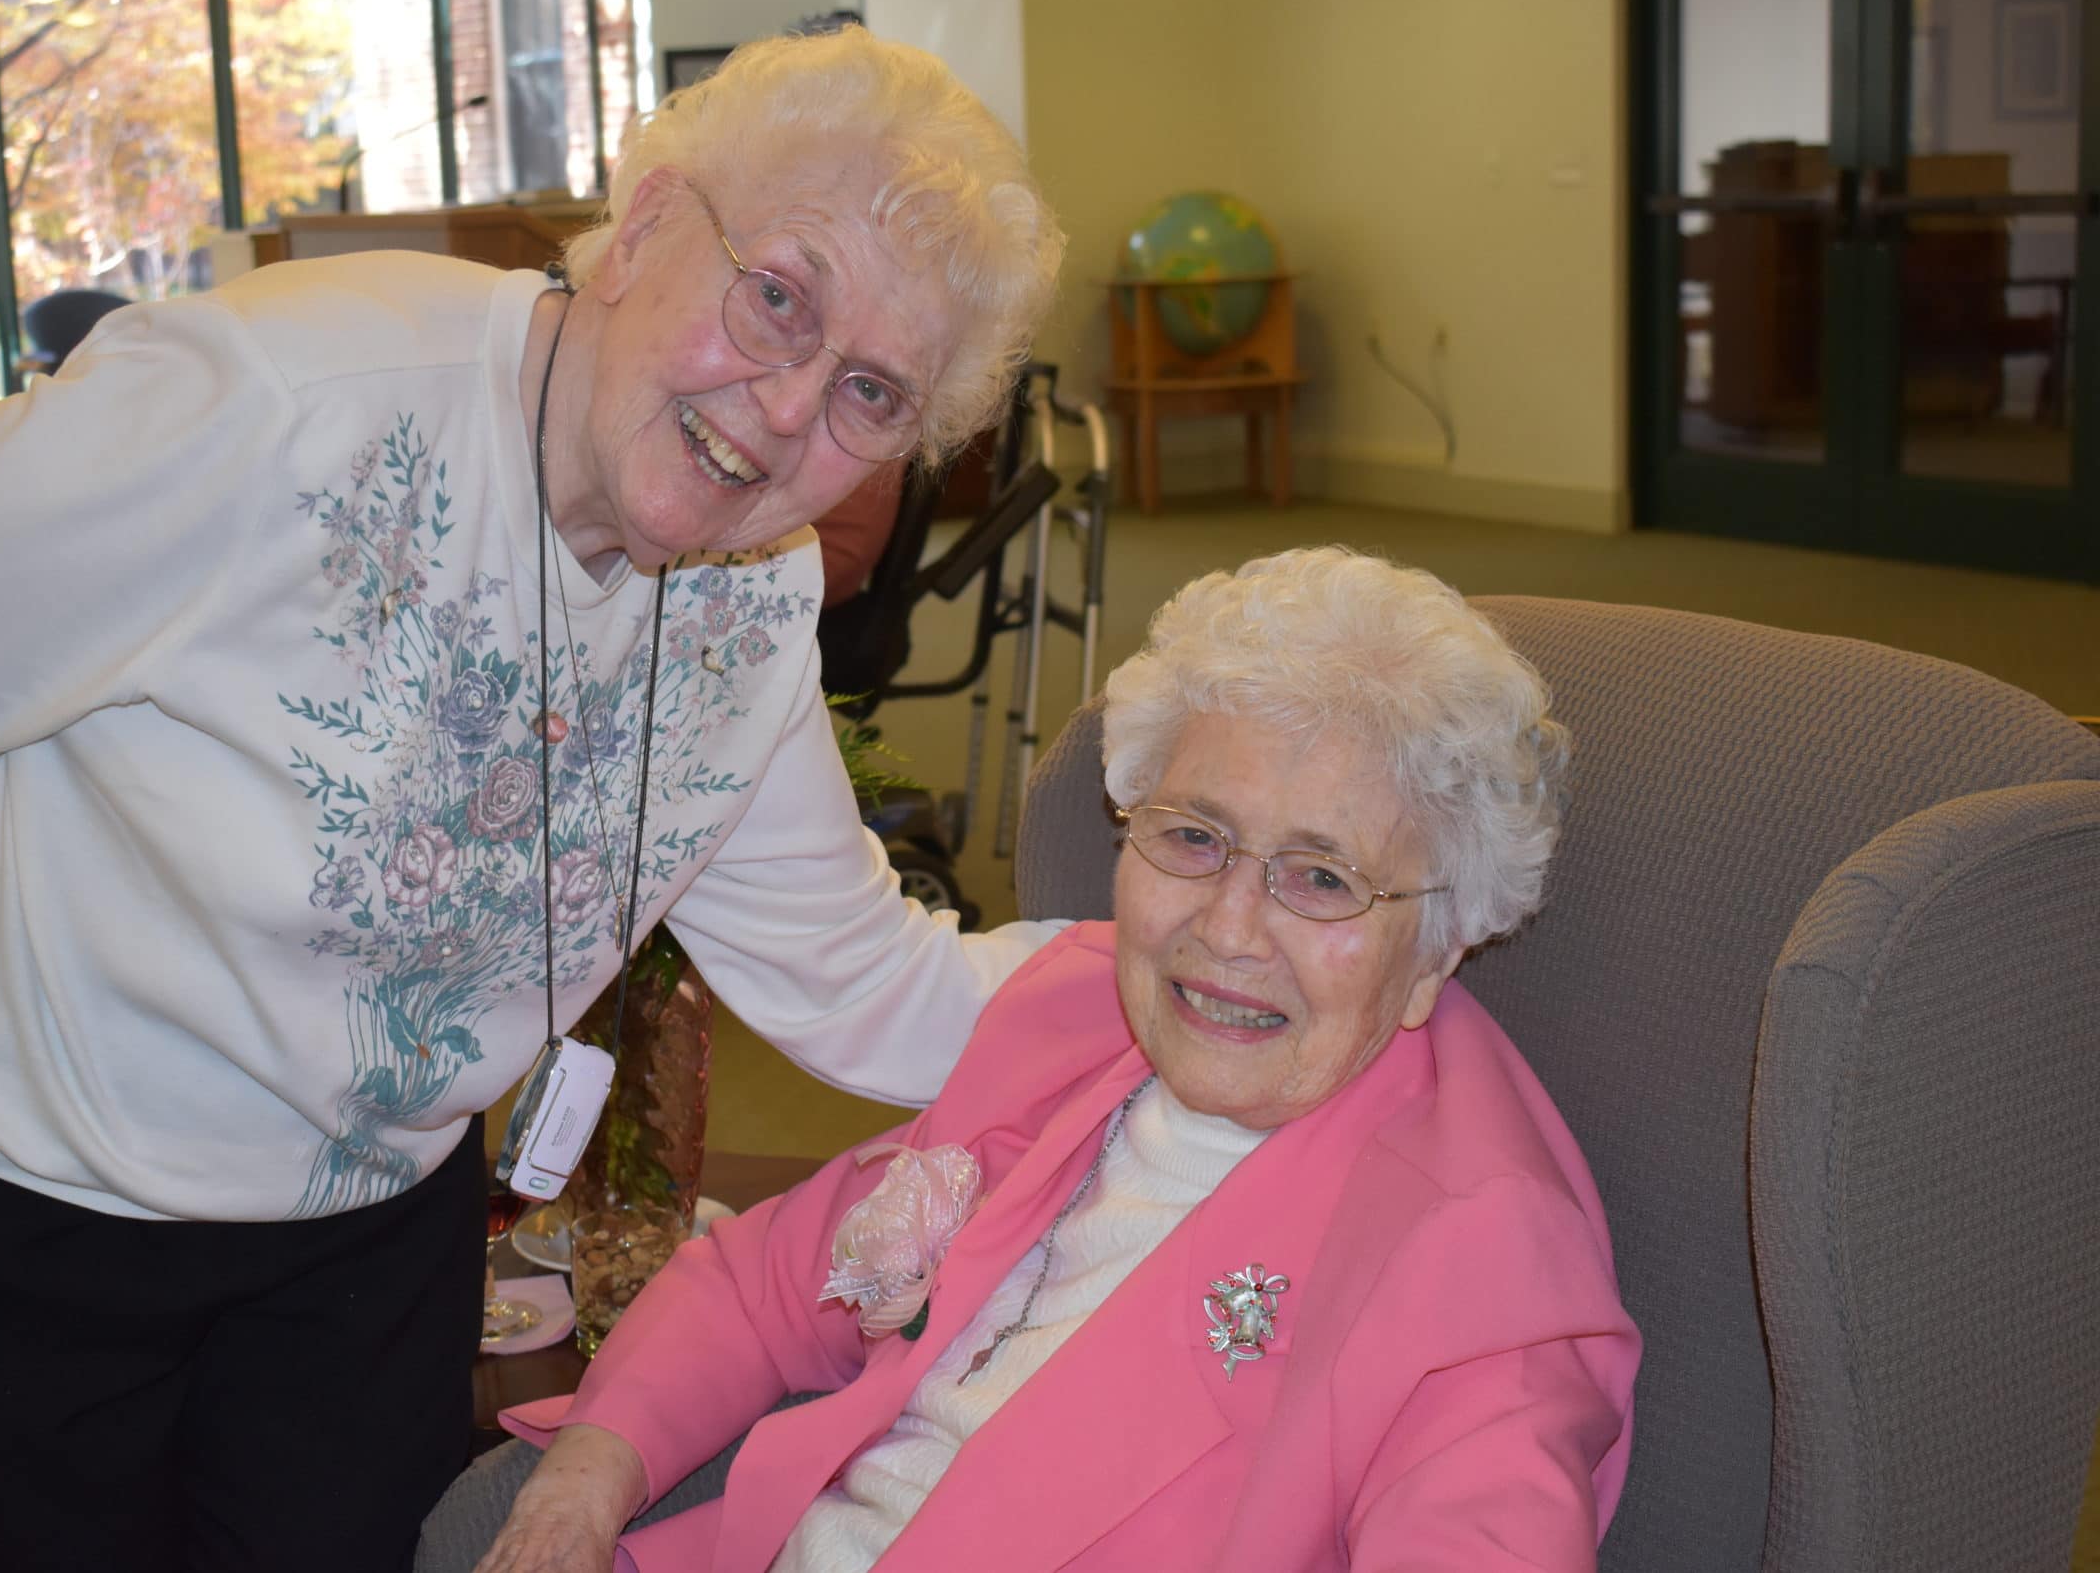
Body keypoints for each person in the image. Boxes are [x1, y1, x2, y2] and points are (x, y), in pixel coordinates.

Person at [0, 26, 1064, 1570]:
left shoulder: (749, 597)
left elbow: (855, 972)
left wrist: (1181, 983)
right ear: (652, 225)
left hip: (362, 1224)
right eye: (778, 295)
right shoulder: (286, 405)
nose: (792, 407)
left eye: (872, 389)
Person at [455, 547, 1642, 1573]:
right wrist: (581, 1488)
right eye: (1192, 837)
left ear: (1439, 949)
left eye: (1320, 876)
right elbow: (767, 1283)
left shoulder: (1479, 1257)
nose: (1226, 930)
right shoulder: (1079, 1013)